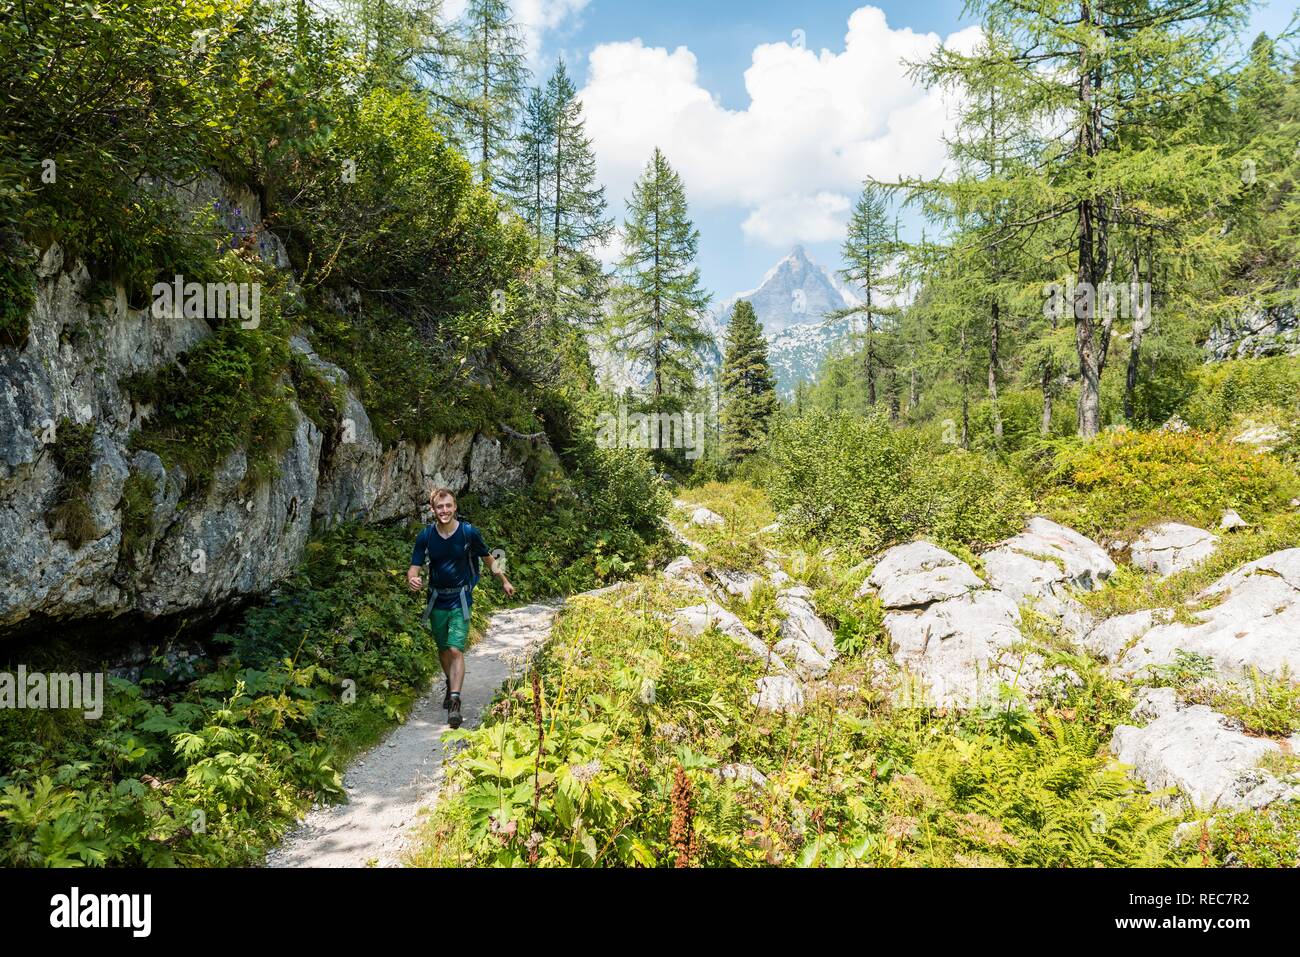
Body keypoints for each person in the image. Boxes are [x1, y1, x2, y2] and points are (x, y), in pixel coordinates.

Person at [406, 487, 514, 728]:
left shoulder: (468, 533)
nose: (444, 511)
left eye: (448, 506)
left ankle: (455, 702)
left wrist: (504, 581)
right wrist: (412, 578)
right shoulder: (426, 536)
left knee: (456, 649)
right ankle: (449, 681)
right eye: (439, 507)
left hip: (461, 599)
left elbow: (489, 559)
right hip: (436, 600)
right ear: (433, 510)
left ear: (455, 507)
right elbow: (414, 566)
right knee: (443, 649)